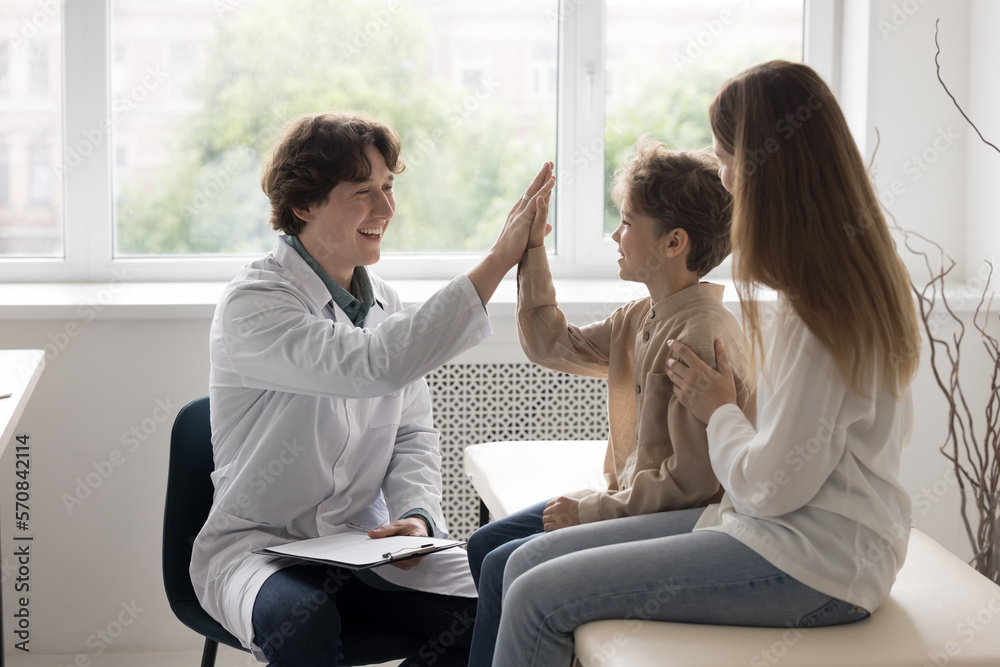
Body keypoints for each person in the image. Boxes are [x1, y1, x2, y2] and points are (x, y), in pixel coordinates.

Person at [489, 60, 921, 667]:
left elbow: (771, 485)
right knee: (526, 561)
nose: (723, 178)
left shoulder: (821, 308)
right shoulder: (847, 279)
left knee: (535, 592)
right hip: (775, 531)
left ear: (762, 171)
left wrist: (720, 410)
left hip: (816, 563)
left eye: (725, 159)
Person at [190, 111, 554, 667]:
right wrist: (499, 259)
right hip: (262, 549)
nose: (385, 210)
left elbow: (411, 433)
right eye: (363, 193)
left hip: (367, 543)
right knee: (302, 620)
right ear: (304, 206)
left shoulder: (385, 301)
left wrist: (417, 515)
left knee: (511, 604)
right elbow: (372, 366)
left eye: (388, 188)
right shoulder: (255, 303)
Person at [464, 137, 755, 666]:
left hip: (678, 524)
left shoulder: (698, 338)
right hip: (630, 505)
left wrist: (593, 511)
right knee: (485, 547)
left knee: (506, 562)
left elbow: (692, 488)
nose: (615, 236)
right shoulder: (643, 316)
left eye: (626, 222)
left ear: (674, 242)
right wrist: (530, 250)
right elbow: (551, 344)